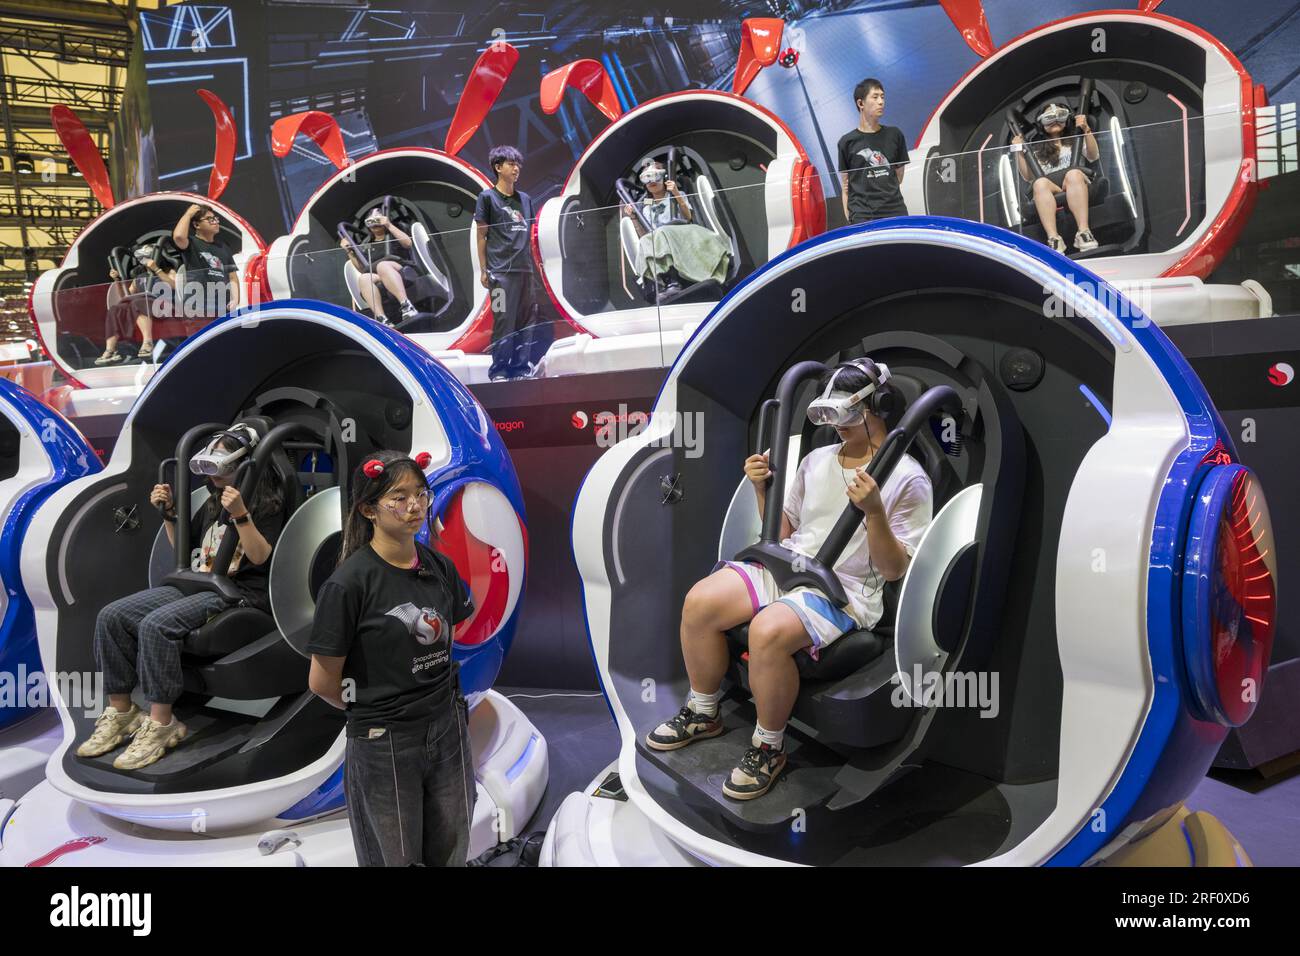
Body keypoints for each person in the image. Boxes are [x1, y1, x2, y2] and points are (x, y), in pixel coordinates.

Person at [645, 359, 933, 800]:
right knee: (699, 601)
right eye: (827, 414)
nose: (835, 425)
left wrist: (874, 511)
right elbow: (782, 532)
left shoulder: (908, 478)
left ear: (879, 406)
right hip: (790, 564)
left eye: (845, 414)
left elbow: (896, 571)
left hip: (847, 589)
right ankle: (704, 712)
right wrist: (762, 489)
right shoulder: (817, 460)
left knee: (768, 631)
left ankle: (768, 748)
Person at [76, 422, 286, 770]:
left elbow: (261, 556)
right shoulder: (214, 499)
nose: (213, 474)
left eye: (221, 467)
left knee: (157, 625)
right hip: (201, 582)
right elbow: (188, 552)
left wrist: (241, 516)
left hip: (241, 593)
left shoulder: (267, 503)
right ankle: (123, 711)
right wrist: (170, 514)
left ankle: (162, 723)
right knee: (111, 615)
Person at [306, 450, 477, 867]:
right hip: (384, 740)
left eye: (420, 494)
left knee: (452, 846)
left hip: (446, 724)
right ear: (368, 509)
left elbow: (454, 629)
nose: (414, 506)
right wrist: (379, 708)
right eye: (399, 498)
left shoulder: (439, 566)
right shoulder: (348, 584)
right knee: (393, 858)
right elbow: (322, 682)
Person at [474, 145, 547, 381]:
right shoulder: (487, 198)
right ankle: (499, 370)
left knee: (527, 320)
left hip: (525, 270)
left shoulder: (525, 199)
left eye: (518, 164)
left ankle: (521, 367)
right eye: (511, 164)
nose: (516, 169)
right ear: (498, 167)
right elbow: (481, 236)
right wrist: (484, 270)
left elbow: (529, 235)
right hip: (500, 273)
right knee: (503, 320)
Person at [621, 159, 730, 301]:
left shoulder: (677, 195)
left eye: (655, 175)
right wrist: (634, 217)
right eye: (647, 177)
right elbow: (647, 237)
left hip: (684, 235)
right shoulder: (646, 205)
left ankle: (673, 281)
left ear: (665, 177)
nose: (651, 180)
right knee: (646, 240)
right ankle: (662, 284)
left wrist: (676, 193)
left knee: (661, 232)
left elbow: (688, 216)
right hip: (663, 240)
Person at [1012, 102, 1101, 253]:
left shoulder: (1075, 140)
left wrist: (1086, 130)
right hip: (1050, 187)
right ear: (1041, 122)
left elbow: (1093, 156)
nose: (1055, 121)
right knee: (1039, 183)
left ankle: (1084, 232)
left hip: (1075, 182)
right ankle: (1053, 239)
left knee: (1073, 174)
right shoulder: (1036, 149)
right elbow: (1027, 176)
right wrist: (1018, 150)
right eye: (1049, 118)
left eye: (1060, 116)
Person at [837, 78, 910, 224]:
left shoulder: (895, 134)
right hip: (862, 217)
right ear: (861, 103)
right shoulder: (846, 142)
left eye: (882, 97)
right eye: (875, 97)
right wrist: (851, 218)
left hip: (895, 212)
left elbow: (898, 176)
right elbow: (846, 187)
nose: (881, 102)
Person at [339, 208, 422, 325]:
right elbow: (362, 269)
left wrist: (389, 225)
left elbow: (408, 243)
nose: (374, 224)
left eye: (377, 219)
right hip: (379, 274)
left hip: (399, 267)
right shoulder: (368, 243)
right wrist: (349, 251)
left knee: (382, 266)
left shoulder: (394, 232)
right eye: (370, 221)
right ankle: (382, 318)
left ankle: (407, 306)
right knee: (364, 278)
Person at [96, 247, 175, 365]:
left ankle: (147, 343)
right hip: (143, 307)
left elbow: (174, 286)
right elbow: (126, 296)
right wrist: (117, 280)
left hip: (165, 307)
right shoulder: (139, 277)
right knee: (116, 309)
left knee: (139, 302)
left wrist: (156, 269)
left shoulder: (169, 271)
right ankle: (110, 350)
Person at [172, 203, 240, 320]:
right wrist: (188, 214)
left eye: (215, 218)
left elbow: (232, 277)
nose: (215, 222)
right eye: (210, 219)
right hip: (199, 307)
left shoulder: (223, 247)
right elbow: (178, 236)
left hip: (224, 307)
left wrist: (235, 299)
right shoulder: (191, 244)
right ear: (196, 224)